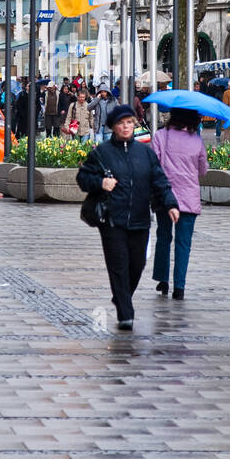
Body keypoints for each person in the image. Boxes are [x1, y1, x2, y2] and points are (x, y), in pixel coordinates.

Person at [76, 103, 178, 331]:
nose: (126, 127)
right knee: (118, 265)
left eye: (130, 123)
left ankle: (122, 297)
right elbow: (83, 178)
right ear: (113, 127)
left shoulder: (145, 153)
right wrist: (101, 182)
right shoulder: (102, 153)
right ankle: (125, 312)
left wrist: (170, 204)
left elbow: (160, 181)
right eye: (121, 123)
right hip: (112, 220)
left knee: (137, 264)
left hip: (140, 218)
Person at [150, 108, 208, 299]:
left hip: (165, 196)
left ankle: (163, 279)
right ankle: (180, 288)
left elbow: (153, 164)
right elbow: (203, 170)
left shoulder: (160, 136)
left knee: (164, 237)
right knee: (184, 243)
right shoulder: (197, 140)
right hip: (189, 198)